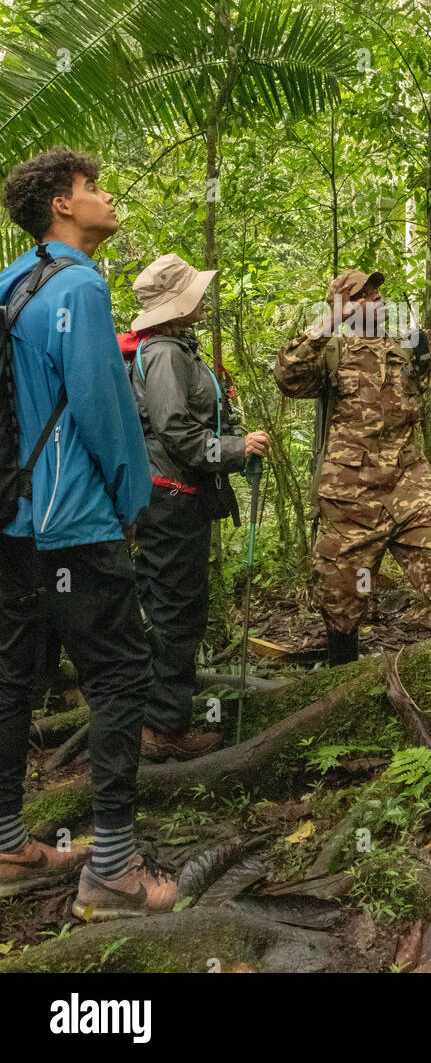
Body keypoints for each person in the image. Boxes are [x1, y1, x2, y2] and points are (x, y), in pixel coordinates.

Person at [0, 147, 177, 920]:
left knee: (13, 676)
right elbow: (104, 409)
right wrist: (135, 499)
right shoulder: (77, 285)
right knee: (116, 674)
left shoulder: (9, 280)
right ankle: (113, 869)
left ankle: (8, 843)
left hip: (12, 521)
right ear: (62, 206)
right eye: (93, 187)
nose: (106, 197)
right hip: (73, 521)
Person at [274, 232, 431, 664]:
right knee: (341, 605)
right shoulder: (329, 353)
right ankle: (340, 685)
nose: (375, 300)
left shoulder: (409, 348)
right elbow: (288, 377)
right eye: (362, 296)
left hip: (410, 494)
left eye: (377, 293)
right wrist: (327, 320)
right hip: (348, 503)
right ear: (342, 307)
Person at [125, 253, 271, 761]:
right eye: (194, 292)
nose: (203, 298)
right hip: (168, 499)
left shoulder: (177, 348)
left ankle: (161, 718)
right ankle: (161, 729)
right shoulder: (165, 353)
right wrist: (236, 449)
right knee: (174, 613)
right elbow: (175, 431)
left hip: (177, 497)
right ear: (175, 304)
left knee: (178, 608)